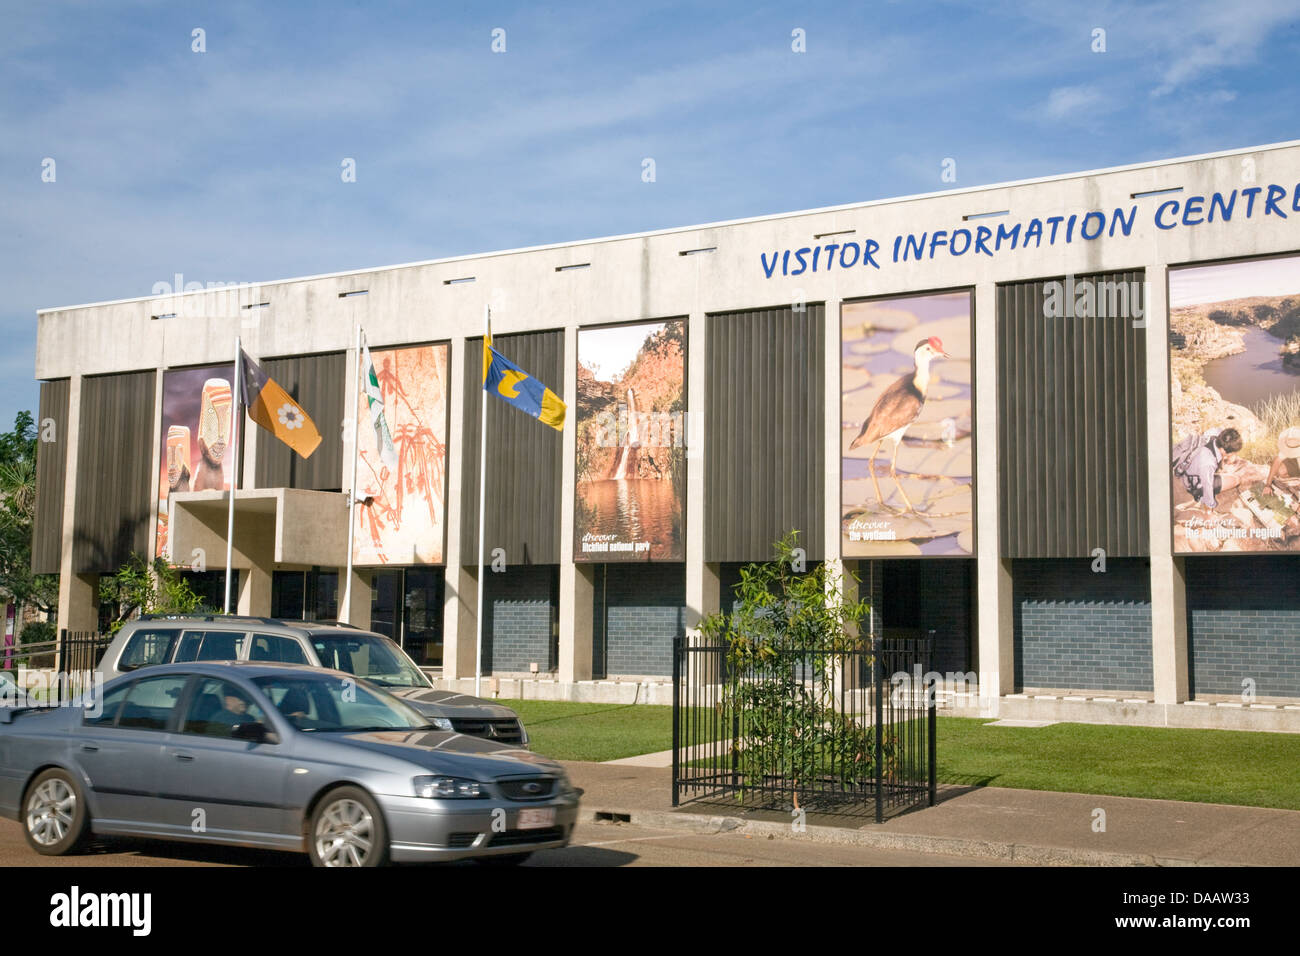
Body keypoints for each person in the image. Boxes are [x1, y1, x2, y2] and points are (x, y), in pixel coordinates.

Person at [1173, 427, 1243, 510]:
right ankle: (1193, 500)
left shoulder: (1215, 433)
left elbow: (1221, 432)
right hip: (1191, 482)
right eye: (1232, 453)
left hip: (1185, 466)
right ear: (1223, 451)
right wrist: (1211, 504)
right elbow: (1207, 487)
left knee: (1218, 469)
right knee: (1236, 479)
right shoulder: (1209, 463)